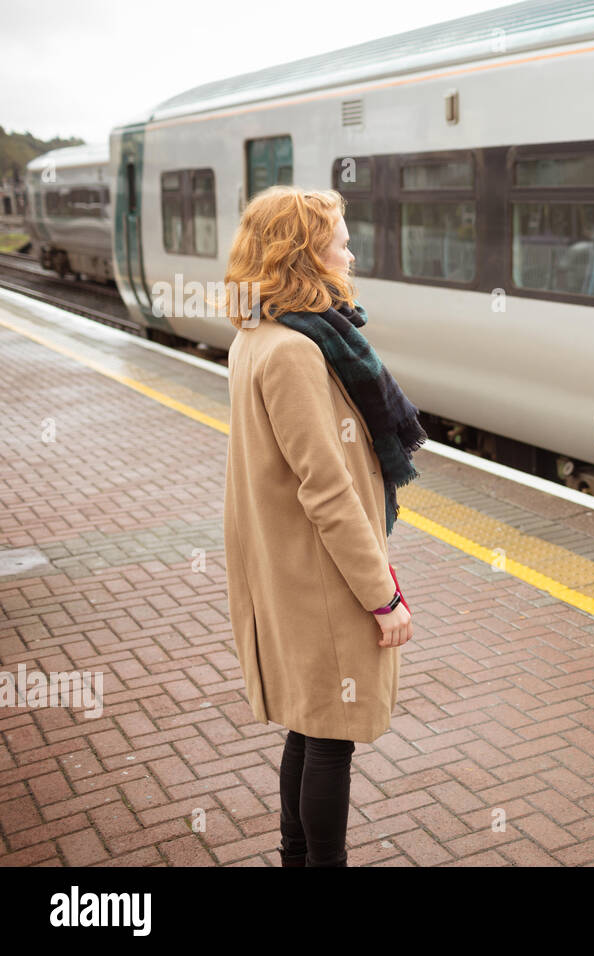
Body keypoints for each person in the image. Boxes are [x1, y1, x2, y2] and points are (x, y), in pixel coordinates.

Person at [221, 186, 427, 867]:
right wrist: (381, 595)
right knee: (330, 736)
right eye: (337, 239)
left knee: (309, 729)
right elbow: (328, 488)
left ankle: (296, 858)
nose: (349, 250)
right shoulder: (295, 351)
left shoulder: (260, 335)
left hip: (294, 565)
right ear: (305, 254)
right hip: (319, 575)